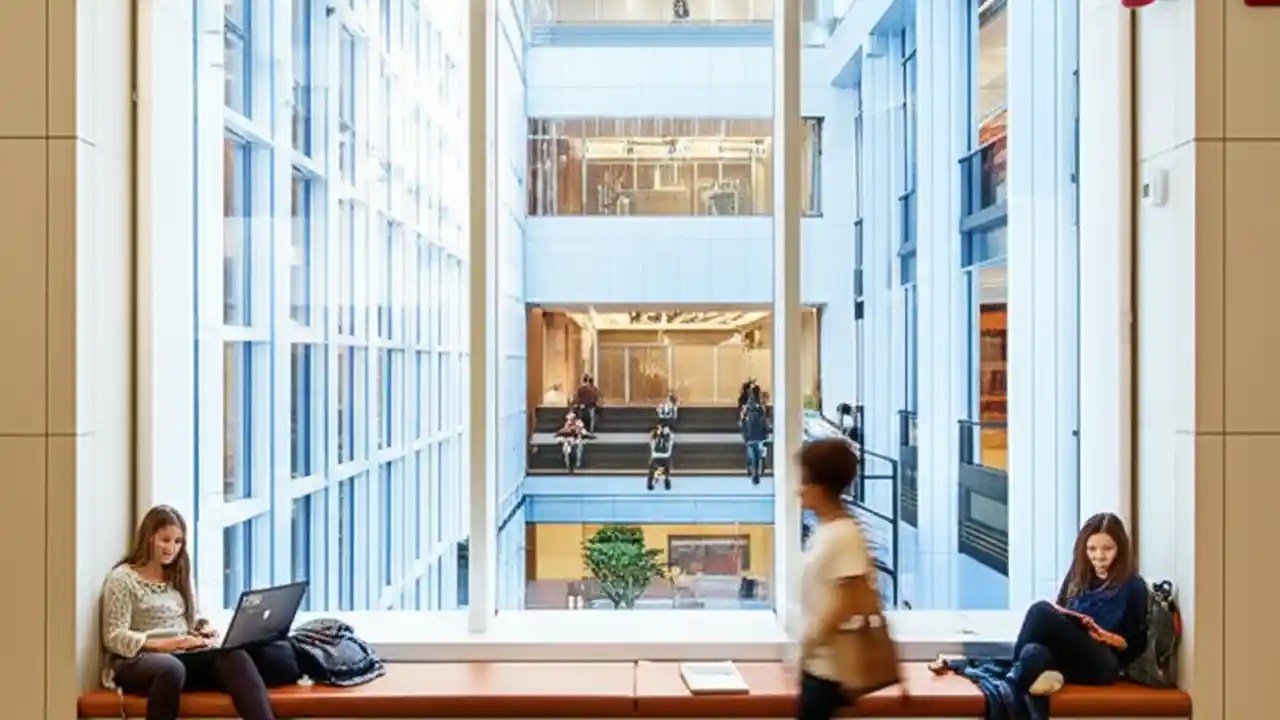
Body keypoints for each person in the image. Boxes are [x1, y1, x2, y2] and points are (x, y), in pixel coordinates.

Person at [101, 505, 276, 720]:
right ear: (148, 538)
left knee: (234, 657)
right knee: (170, 668)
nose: (171, 548)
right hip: (138, 660)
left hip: (181, 655)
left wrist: (203, 628)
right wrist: (164, 645)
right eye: (165, 540)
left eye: (178, 542)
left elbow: (193, 618)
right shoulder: (122, 579)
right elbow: (114, 636)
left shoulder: (178, 575)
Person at [1008, 512, 1148, 697]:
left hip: (1104, 662)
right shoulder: (1078, 577)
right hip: (1071, 654)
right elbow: (1060, 615)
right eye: (1092, 549)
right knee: (1032, 654)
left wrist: (1109, 637)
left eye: (1107, 549)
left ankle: (1010, 677)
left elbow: (1136, 645)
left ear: (1120, 549)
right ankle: (1025, 686)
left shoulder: (1133, 585)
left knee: (1039, 610)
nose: (1099, 556)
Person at [795, 439, 873, 720]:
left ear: (819, 487)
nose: (798, 489)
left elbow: (847, 603)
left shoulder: (843, 535)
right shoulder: (826, 531)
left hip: (829, 674)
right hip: (819, 669)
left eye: (803, 481)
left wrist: (807, 644)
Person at [740, 390, 771, 484]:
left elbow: (742, 422)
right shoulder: (761, 409)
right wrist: (766, 433)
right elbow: (765, 422)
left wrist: (744, 435)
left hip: (750, 437)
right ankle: (756, 472)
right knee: (758, 456)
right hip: (759, 437)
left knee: (752, 456)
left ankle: (751, 471)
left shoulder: (746, 409)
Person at [647, 424, 675, 491]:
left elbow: (651, 438)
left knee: (656, 471)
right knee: (662, 471)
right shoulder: (668, 437)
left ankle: (659, 479)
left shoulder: (655, 439)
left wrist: (657, 430)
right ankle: (664, 479)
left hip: (657, 457)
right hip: (663, 458)